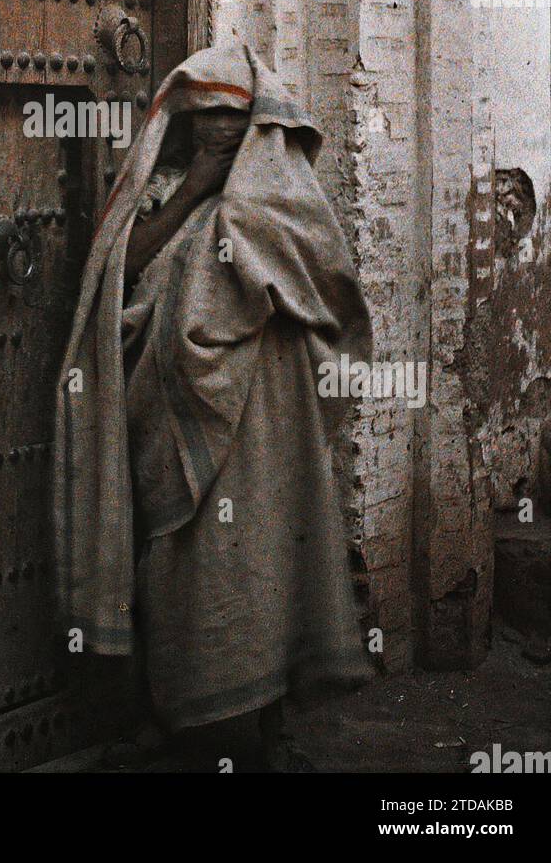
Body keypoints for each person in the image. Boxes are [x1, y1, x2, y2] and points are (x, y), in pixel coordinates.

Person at [53, 45, 373, 770]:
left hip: (263, 432)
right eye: (204, 121)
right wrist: (198, 187)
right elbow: (120, 271)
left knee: (264, 569)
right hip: (175, 425)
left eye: (230, 122)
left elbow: (325, 297)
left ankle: (266, 727)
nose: (216, 134)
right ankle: (181, 719)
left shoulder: (284, 204)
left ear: (256, 126)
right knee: (181, 570)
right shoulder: (163, 187)